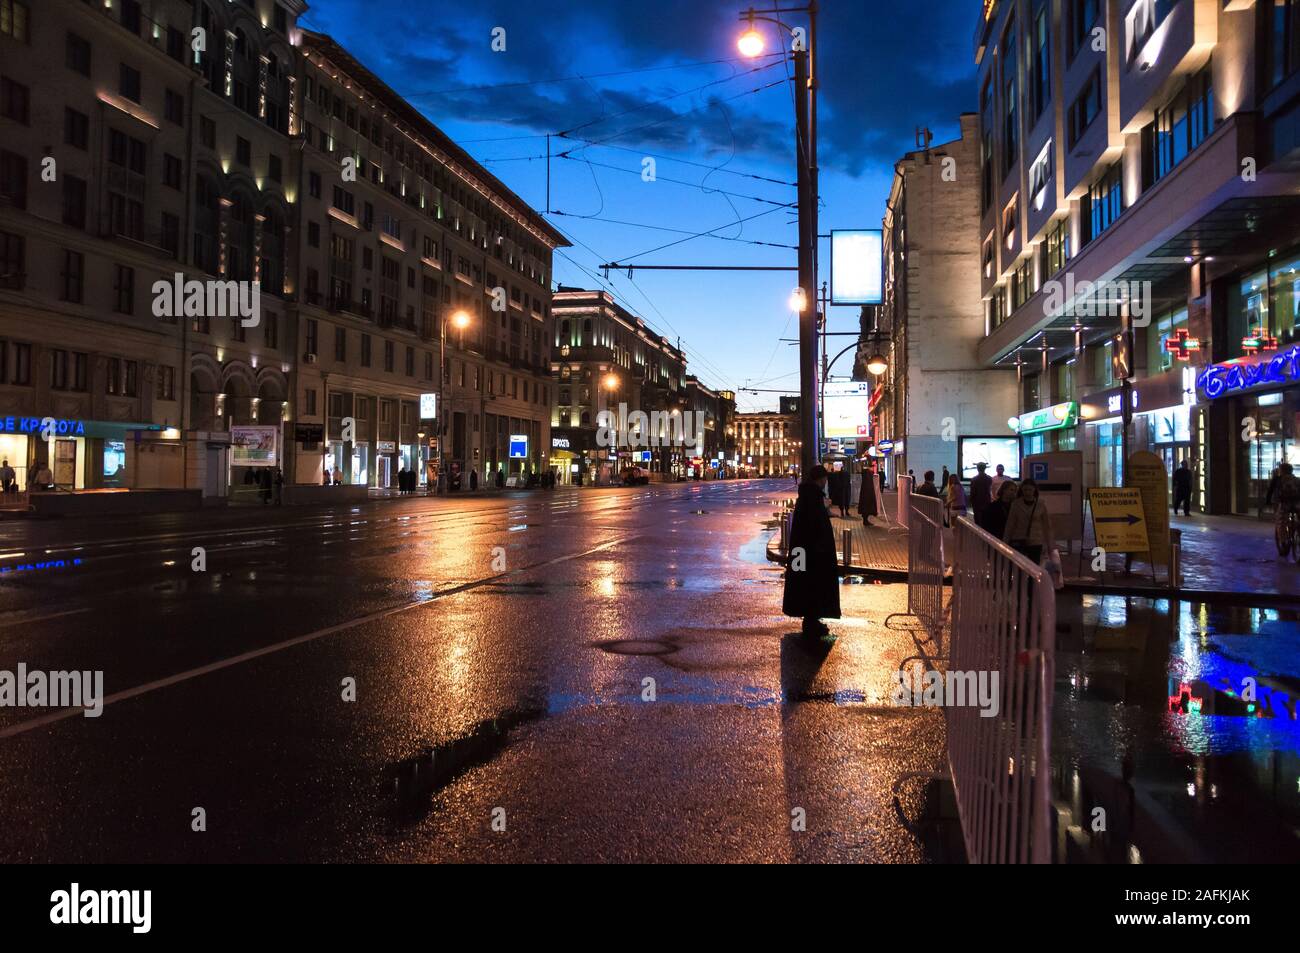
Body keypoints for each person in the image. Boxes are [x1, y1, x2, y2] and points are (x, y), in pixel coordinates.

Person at [782, 464, 841, 639]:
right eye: (825, 479)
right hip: (813, 554)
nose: (826, 482)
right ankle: (811, 622)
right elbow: (814, 528)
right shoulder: (812, 498)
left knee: (806, 585)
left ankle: (812, 619)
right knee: (813, 585)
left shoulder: (808, 496)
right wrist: (820, 551)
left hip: (804, 553)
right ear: (821, 479)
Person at [1003, 478, 1054, 565]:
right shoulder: (1016, 504)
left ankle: (1031, 579)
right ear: (1022, 490)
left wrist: (1050, 544)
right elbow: (1010, 524)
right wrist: (1005, 542)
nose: (1027, 492)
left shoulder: (1041, 504)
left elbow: (1046, 525)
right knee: (1019, 567)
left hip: (1035, 540)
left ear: (1034, 490)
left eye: (1030, 489)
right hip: (1018, 539)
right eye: (1025, 489)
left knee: (1034, 567)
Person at [858, 462, 879, 526]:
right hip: (867, 494)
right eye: (873, 467)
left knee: (865, 507)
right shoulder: (868, 474)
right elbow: (869, 485)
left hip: (865, 494)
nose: (873, 469)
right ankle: (865, 520)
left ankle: (865, 520)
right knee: (867, 507)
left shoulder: (866, 473)